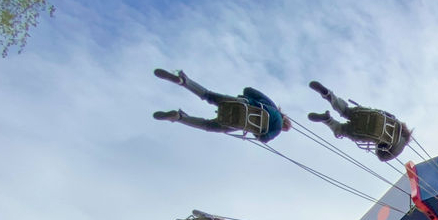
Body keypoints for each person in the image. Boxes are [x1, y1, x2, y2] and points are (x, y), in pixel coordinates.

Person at [152, 68, 291, 143]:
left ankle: (183, 81)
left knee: (208, 95)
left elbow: (248, 90)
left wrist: (248, 99)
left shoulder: (271, 105)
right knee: (208, 126)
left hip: (242, 105)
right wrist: (256, 130)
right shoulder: (276, 130)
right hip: (238, 123)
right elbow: (264, 139)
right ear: (283, 128)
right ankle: (179, 117)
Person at [307, 81, 412, 162]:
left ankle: (328, 94)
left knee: (345, 111)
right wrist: (379, 146)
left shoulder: (397, 124)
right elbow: (382, 157)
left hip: (365, 115)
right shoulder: (398, 148)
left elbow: (385, 113)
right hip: (365, 133)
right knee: (341, 130)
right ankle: (327, 120)